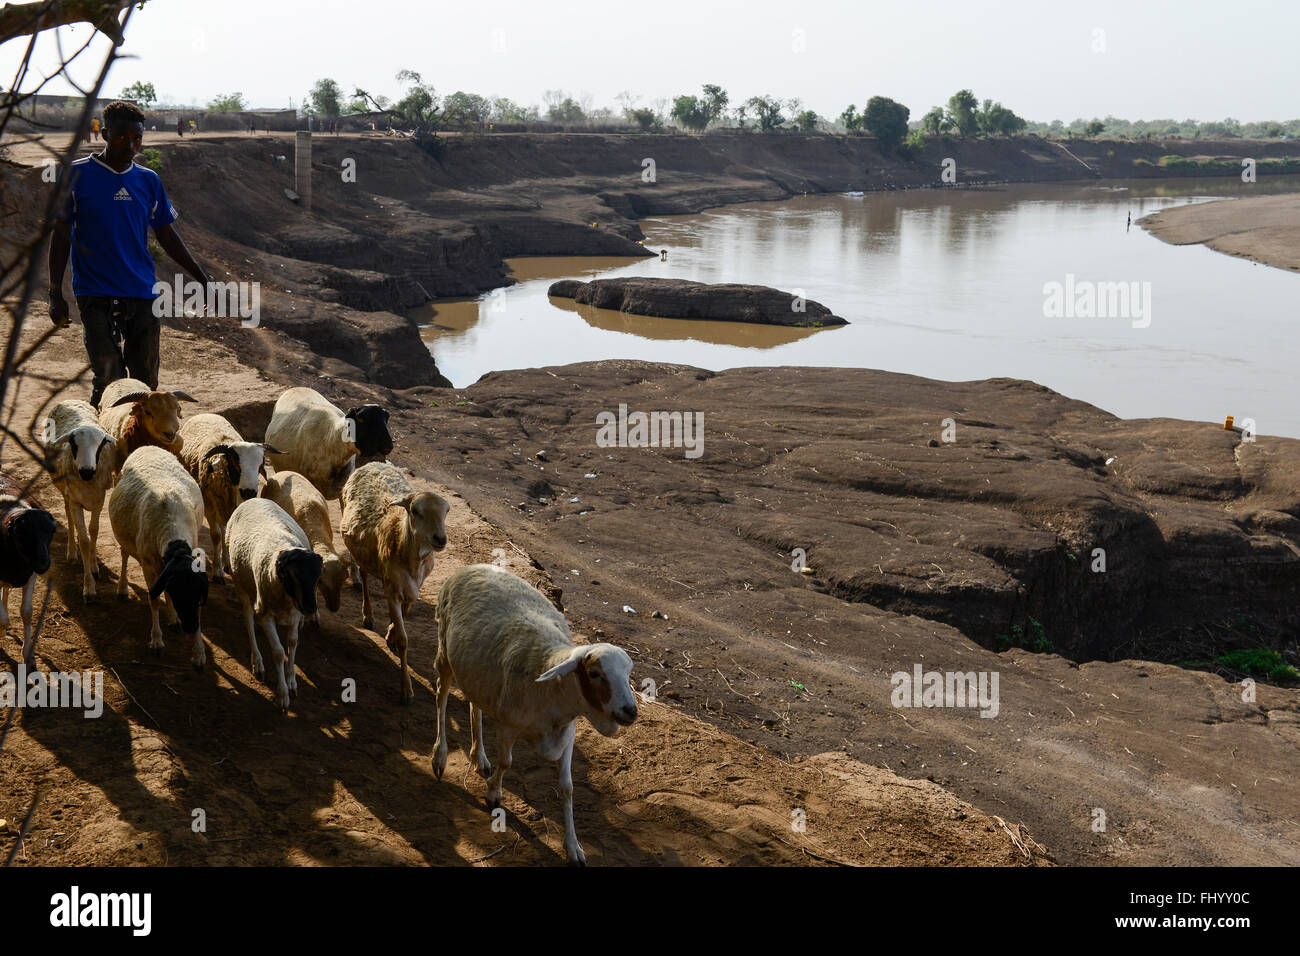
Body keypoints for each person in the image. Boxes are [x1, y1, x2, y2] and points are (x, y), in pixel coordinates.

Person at [48, 100, 211, 407]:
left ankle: (138, 449)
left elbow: (166, 233)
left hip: (142, 292)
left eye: (137, 138)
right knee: (109, 380)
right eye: (123, 137)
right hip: (94, 294)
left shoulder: (148, 180)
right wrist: (55, 293)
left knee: (145, 383)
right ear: (106, 134)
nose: (132, 144)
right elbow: (60, 236)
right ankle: (101, 445)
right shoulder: (76, 176)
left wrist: (201, 277)